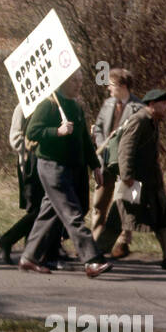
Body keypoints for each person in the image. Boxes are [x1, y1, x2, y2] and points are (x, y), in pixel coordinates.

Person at [18, 71, 112, 278]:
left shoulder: (76, 106)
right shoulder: (48, 104)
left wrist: (95, 165)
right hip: (51, 166)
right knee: (72, 213)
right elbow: (32, 132)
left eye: (80, 80)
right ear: (62, 82)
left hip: (70, 168)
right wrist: (57, 132)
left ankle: (29, 258)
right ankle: (91, 260)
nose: (79, 84)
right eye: (74, 80)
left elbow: (84, 141)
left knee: (48, 213)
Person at [114, 89, 166, 270]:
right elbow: (126, 148)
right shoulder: (139, 120)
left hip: (151, 181)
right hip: (134, 181)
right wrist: (126, 176)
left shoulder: (153, 122)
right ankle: (96, 252)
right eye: (163, 104)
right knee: (120, 218)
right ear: (151, 105)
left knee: (162, 216)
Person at [89, 68, 143, 259]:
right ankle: (95, 243)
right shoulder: (107, 104)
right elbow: (99, 128)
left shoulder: (139, 107)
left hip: (125, 161)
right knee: (100, 202)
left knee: (124, 201)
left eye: (111, 85)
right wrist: (103, 144)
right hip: (105, 160)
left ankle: (122, 243)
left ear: (123, 86)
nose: (109, 89)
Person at [0, 100, 46, 266]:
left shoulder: (48, 106)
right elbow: (15, 138)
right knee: (37, 209)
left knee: (41, 209)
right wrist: (34, 146)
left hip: (45, 164)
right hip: (29, 166)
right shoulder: (23, 108)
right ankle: (10, 240)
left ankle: (28, 249)